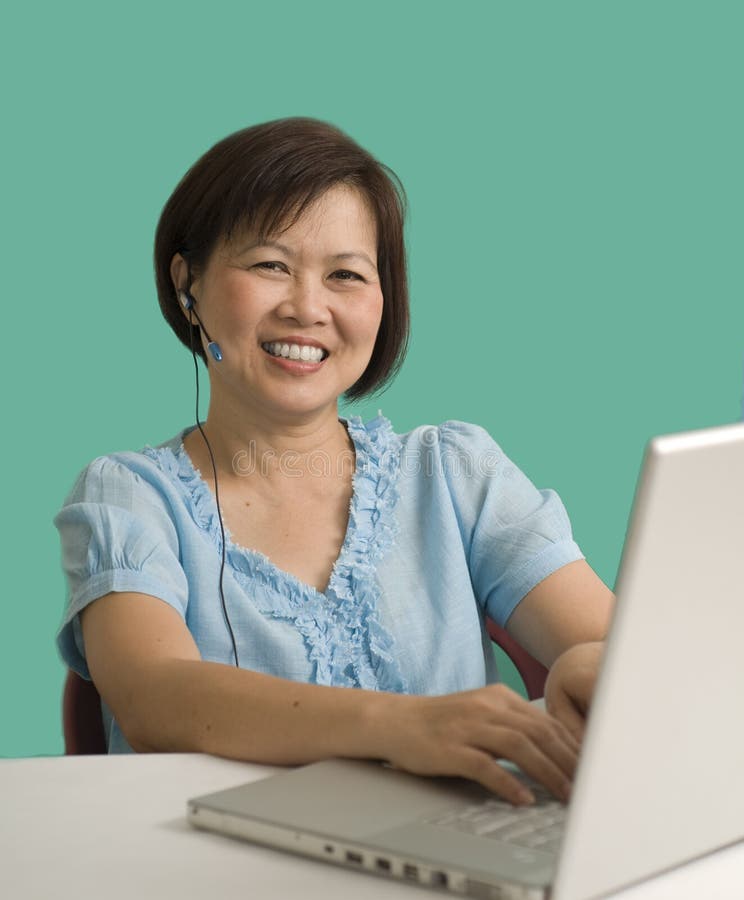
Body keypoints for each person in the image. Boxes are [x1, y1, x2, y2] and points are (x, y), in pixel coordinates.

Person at [55, 117, 614, 806]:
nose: (307, 307)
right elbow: (153, 697)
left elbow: (617, 647)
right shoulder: (129, 496)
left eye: (346, 275)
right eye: (270, 265)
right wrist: (405, 726)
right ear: (187, 284)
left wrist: (592, 668)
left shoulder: (455, 473)